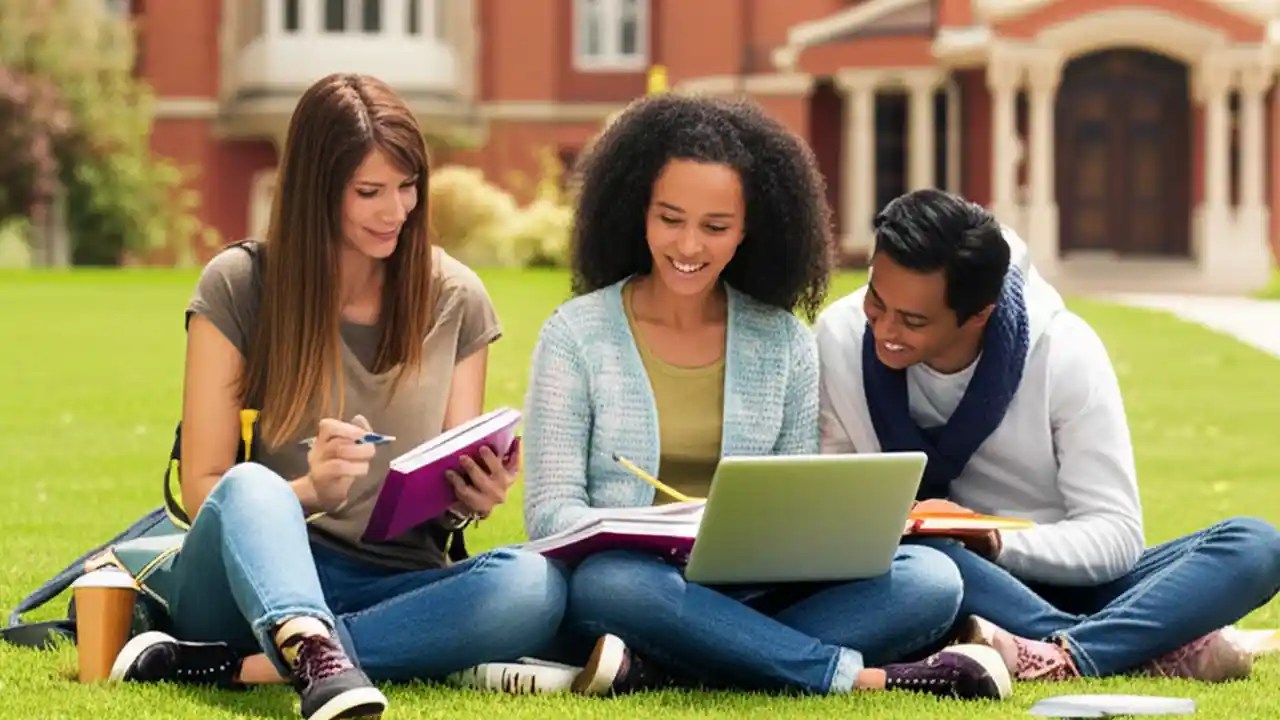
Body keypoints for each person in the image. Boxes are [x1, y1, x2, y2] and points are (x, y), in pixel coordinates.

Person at [105, 73, 575, 719]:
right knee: (250, 486)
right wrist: (309, 492)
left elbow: (450, 494)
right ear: (316, 190)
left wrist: (472, 500)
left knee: (535, 585)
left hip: (397, 583)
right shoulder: (239, 285)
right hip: (256, 570)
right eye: (370, 192)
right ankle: (313, 641)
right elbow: (203, 486)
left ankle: (251, 665)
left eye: (408, 187)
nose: (397, 210)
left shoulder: (456, 298)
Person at [517, 93, 1013, 701]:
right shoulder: (575, 335)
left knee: (931, 579)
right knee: (608, 584)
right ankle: (853, 677)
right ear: (636, 211)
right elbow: (549, 517)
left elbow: (794, 507)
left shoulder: (784, 342)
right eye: (669, 219)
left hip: (752, 591)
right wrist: (650, 529)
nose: (689, 247)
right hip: (632, 585)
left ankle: (669, 666)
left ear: (751, 228)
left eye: (716, 227)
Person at [814, 188, 1280, 684]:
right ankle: (1130, 646)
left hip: (1069, 577)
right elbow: (840, 506)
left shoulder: (1063, 352)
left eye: (913, 321)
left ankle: (1053, 651)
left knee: (1255, 545)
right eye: (875, 302)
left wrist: (992, 540)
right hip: (941, 583)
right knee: (933, 560)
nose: (884, 328)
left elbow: (1115, 537)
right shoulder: (840, 338)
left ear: (979, 313)